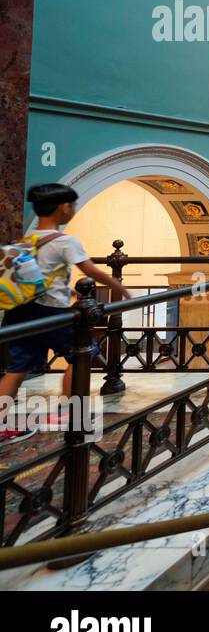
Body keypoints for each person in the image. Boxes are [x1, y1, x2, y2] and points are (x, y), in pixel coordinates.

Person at [0, 184, 129, 446]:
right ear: (64, 208)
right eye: (73, 205)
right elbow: (90, 270)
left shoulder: (27, 240)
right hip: (52, 314)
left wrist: (69, 291)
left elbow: (39, 276)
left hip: (20, 313)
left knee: (17, 369)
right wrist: (120, 288)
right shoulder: (65, 241)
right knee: (83, 354)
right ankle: (67, 412)